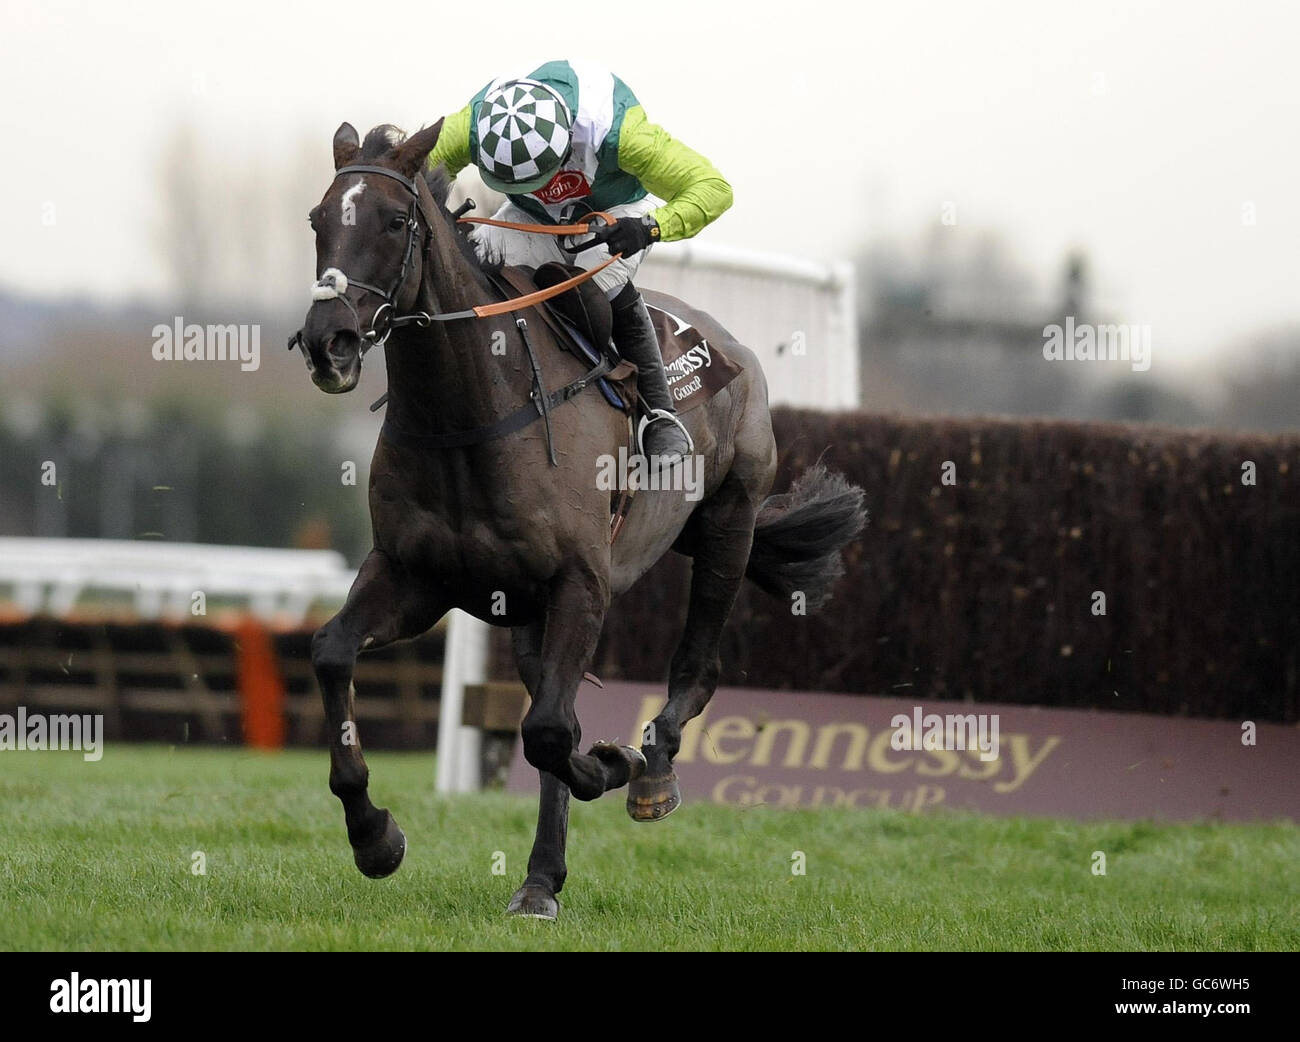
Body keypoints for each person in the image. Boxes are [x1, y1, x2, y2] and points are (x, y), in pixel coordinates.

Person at [426, 60, 733, 466]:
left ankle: (659, 413)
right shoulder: (475, 124)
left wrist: (648, 228)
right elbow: (409, 171)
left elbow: (713, 189)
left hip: (615, 210)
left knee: (601, 286)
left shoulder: (621, 134)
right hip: (529, 215)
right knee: (466, 273)